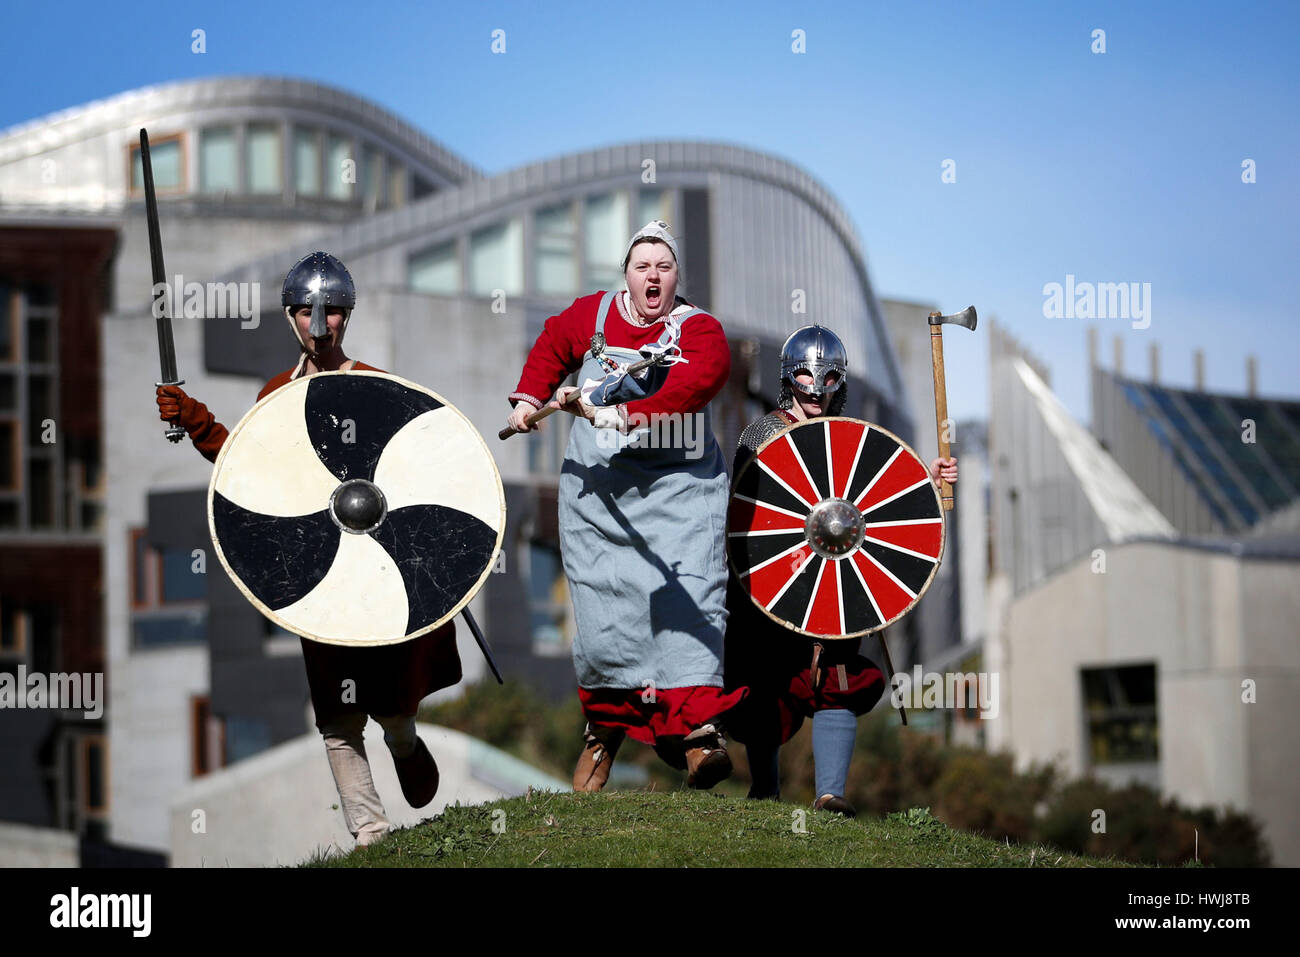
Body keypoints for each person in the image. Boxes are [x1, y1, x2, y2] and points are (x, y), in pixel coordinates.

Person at [155, 251, 459, 846]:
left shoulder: (375, 386)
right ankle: (372, 838)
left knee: (393, 704)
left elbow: (422, 469)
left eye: (333, 313)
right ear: (289, 316)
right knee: (338, 718)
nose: (320, 324)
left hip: (379, 571)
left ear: (349, 316)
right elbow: (250, 471)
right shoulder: (278, 395)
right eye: (305, 311)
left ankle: (403, 739)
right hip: (320, 576)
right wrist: (196, 420)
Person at [506, 221, 744, 791]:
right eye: (643, 267)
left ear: (676, 276)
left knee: (693, 607)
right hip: (602, 500)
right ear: (627, 276)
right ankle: (602, 736)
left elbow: (695, 383)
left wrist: (627, 414)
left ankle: (699, 736)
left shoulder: (700, 330)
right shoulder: (589, 316)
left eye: (664, 266)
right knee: (604, 622)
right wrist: (528, 396)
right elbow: (551, 346)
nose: (653, 275)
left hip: (681, 495)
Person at [724, 324, 958, 816]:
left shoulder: (846, 438)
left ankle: (830, 793)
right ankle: (766, 789)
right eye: (806, 375)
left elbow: (883, 501)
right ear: (789, 378)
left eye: (827, 376)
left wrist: (925, 480)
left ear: (839, 381)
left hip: (836, 579)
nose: (815, 386)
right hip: (776, 580)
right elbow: (747, 511)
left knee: (836, 679)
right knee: (765, 683)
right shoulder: (763, 433)